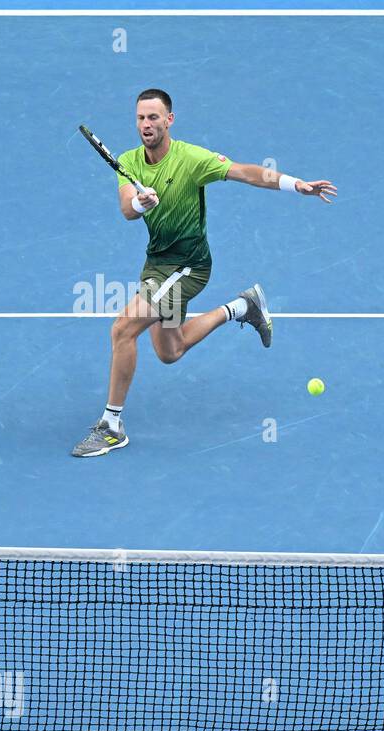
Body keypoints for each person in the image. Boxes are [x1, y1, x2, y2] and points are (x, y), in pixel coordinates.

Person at [71, 88, 337, 457]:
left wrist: (297, 185)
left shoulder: (191, 159)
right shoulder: (130, 162)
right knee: (170, 350)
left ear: (169, 120)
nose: (146, 125)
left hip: (188, 266)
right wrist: (140, 201)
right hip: (157, 265)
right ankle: (243, 307)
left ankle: (111, 426)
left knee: (123, 328)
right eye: (140, 118)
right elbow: (126, 211)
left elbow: (246, 172)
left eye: (153, 117)